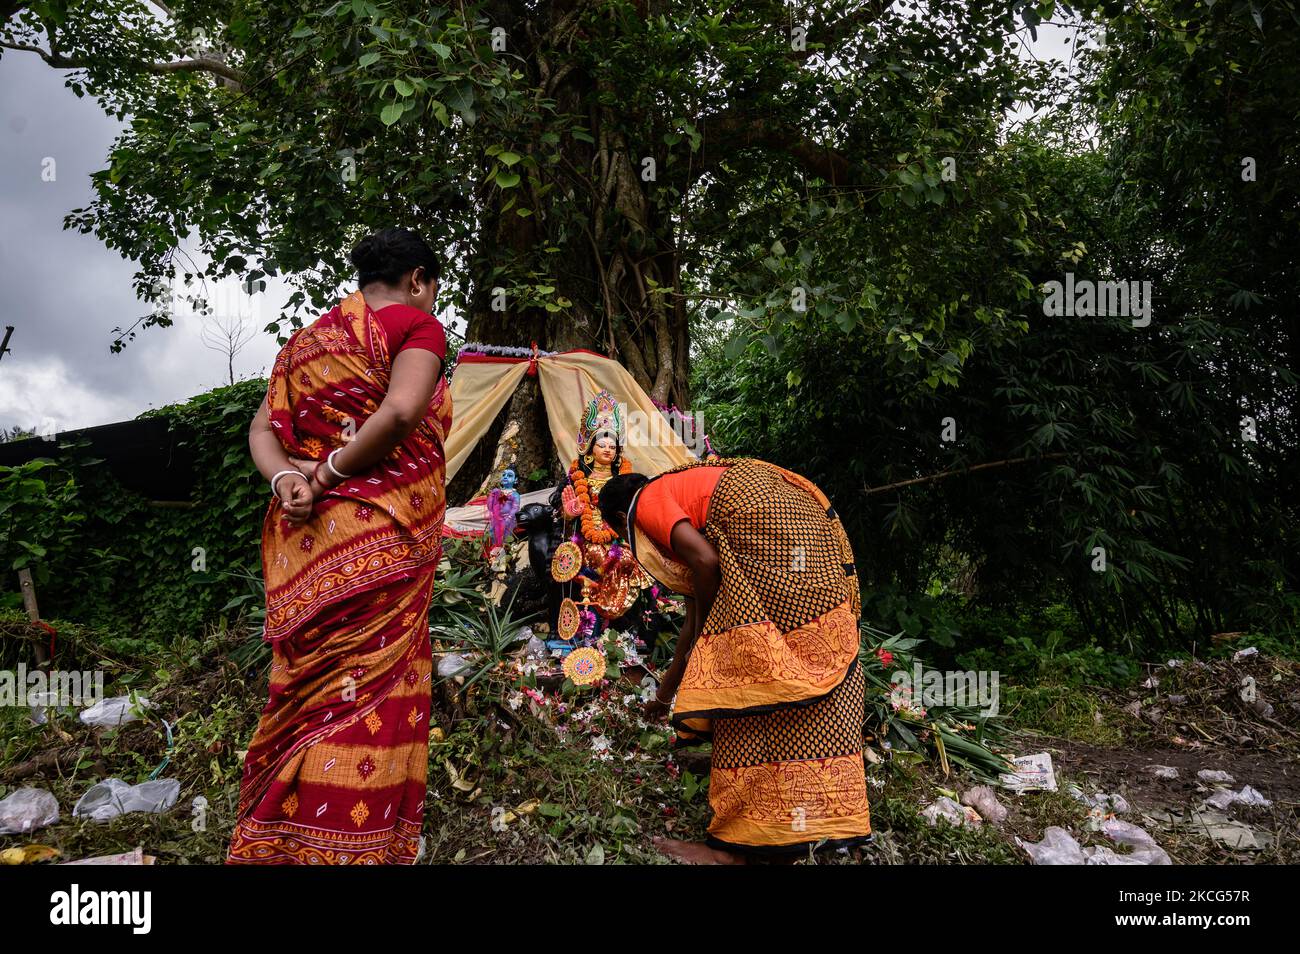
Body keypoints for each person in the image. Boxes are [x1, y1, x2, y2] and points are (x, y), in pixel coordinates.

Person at [228, 227, 452, 864]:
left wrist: (288, 478)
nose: (430, 300)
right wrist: (328, 473)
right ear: (417, 279)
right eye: (431, 289)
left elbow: (263, 429)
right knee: (371, 689)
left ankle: (278, 839)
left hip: (308, 546)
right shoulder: (417, 326)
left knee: (307, 691)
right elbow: (402, 413)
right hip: (383, 533)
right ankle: (354, 845)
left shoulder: (304, 345)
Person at [598, 458, 872, 864]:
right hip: (806, 542)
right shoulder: (691, 502)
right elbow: (694, 617)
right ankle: (805, 827)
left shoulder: (648, 499)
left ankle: (732, 852)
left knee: (743, 670)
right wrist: (665, 692)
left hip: (774, 535)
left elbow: (706, 563)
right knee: (787, 672)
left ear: (623, 517)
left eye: (621, 532)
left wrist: (715, 632)